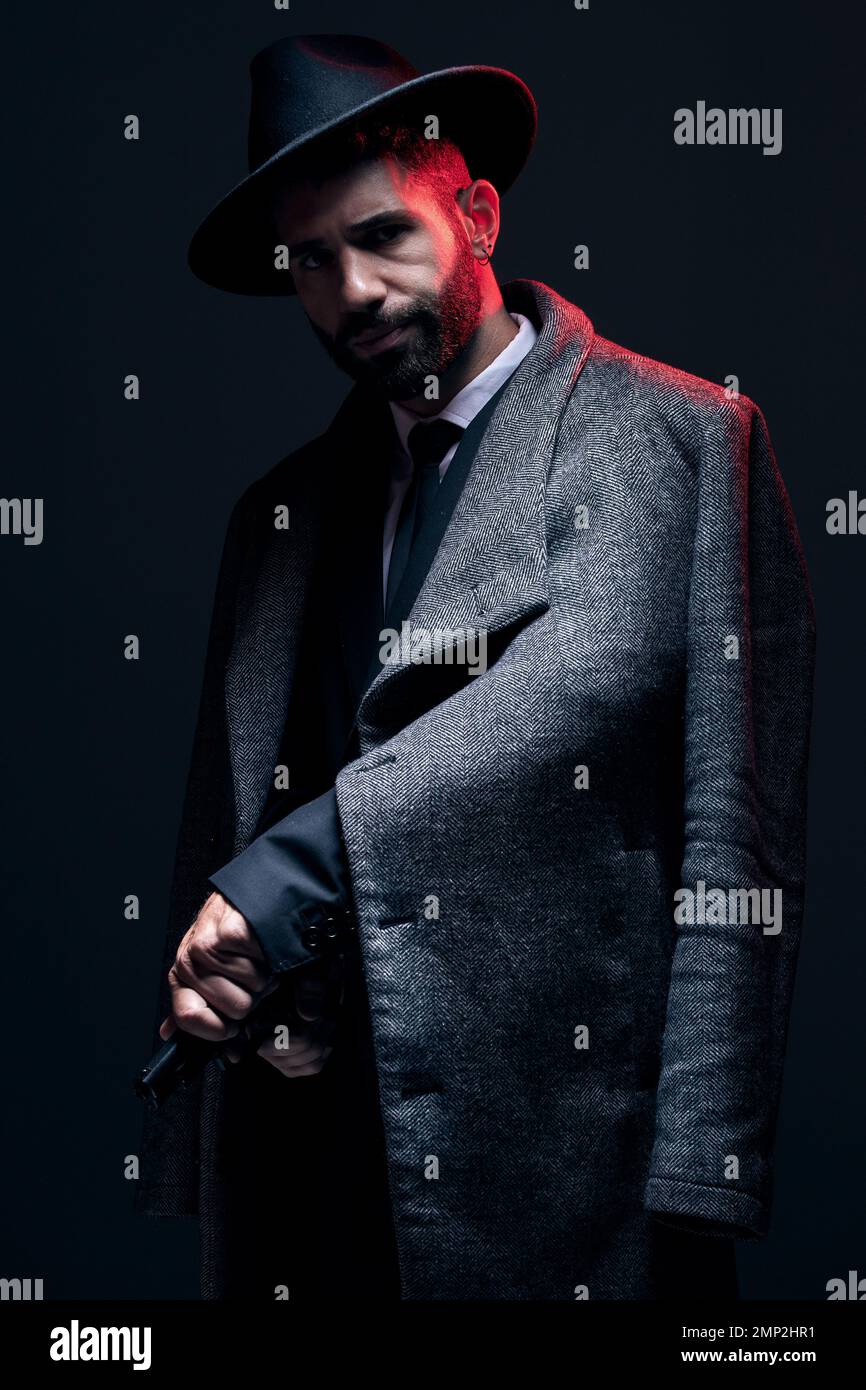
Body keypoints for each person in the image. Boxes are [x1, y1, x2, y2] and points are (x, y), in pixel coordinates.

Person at [136, 33, 816, 1302]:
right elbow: (222, 824)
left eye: (382, 236)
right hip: (309, 1179)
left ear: (476, 211)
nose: (352, 291)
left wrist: (698, 1181)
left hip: (565, 1187)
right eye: (313, 262)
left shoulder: (675, 436)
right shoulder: (273, 514)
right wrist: (239, 1027)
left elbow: (726, 831)